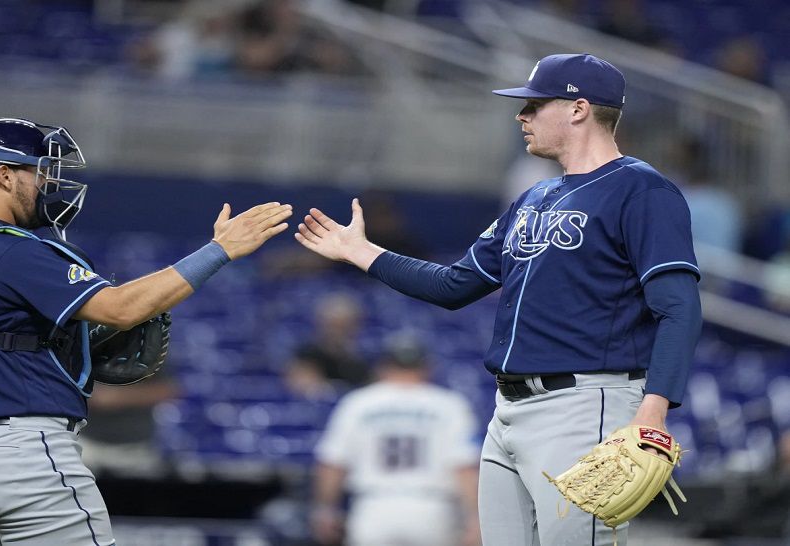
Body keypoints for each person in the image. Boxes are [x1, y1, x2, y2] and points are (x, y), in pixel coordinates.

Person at [294, 54, 703, 545]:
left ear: (578, 109)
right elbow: (453, 286)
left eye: (534, 105)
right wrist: (361, 252)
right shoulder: (533, 198)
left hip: (584, 404)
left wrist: (654, 410)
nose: (521, 115)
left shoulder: (642, 190)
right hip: (507, 411)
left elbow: (679, 307)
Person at [0, 117, 292, 545]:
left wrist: (26, 345)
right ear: (5, 175)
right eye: (38, 171)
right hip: (23, 457)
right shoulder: (9, 249)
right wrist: (220, 250)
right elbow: (121, 309)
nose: (47, 183)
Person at [311, 332, 481, 546]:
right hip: (431, 509)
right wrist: (473, 517)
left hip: (373, 507)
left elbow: (333, 463)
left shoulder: (358, 402)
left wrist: (325, 509)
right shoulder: (449, 404)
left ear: (384, 366)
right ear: (426, 366)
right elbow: (464, 468)